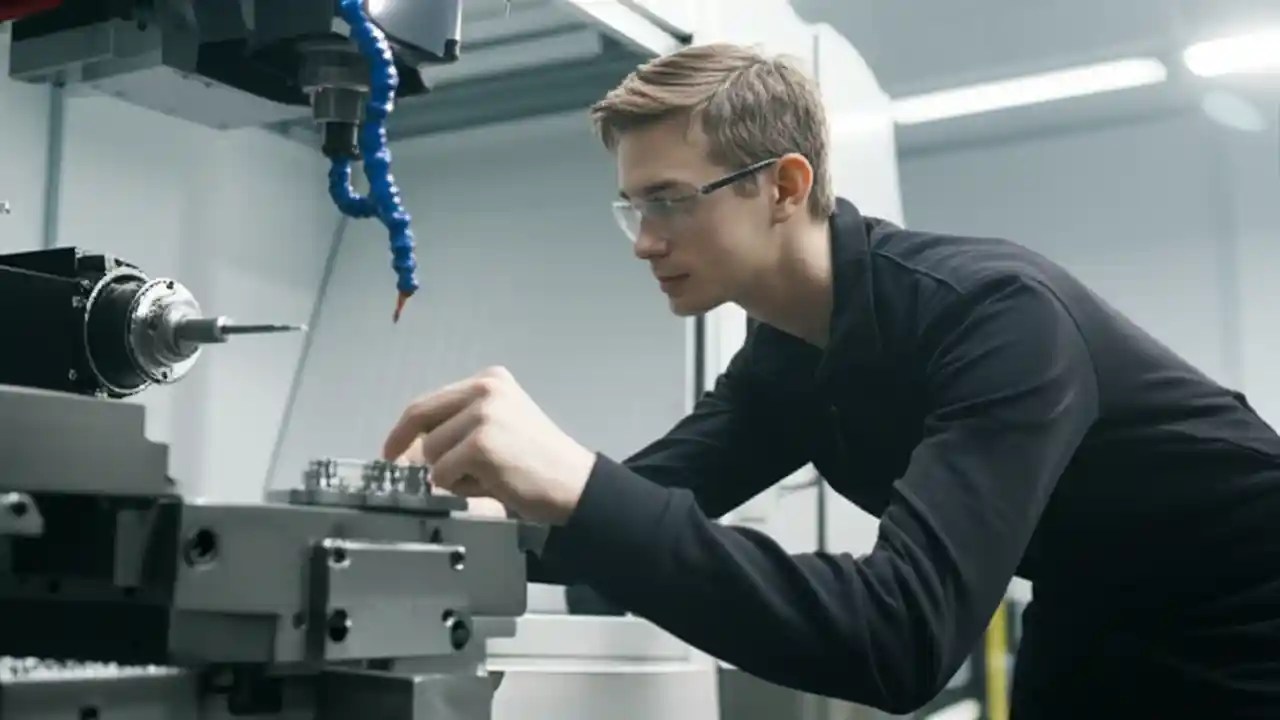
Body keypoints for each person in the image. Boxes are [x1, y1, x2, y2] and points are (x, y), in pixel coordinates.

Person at [381, 43, 1280, 717]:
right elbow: (631, 513)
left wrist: (573, 483)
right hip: (1095, 611)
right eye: (632, 207)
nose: (646, 240)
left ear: (783, 184)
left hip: (1253, 624)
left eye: (669, 201)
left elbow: (901, 639)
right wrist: (475, 528)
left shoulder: (999, 315)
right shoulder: (787, 356)